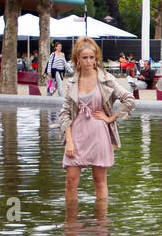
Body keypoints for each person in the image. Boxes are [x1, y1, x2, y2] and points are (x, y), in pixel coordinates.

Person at [56, 36, 137, 208]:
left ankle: (101, 226)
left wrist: (111, 118)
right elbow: (64, 113)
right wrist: (68, 140)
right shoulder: (71, 82)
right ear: (78, 59)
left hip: (99, 134)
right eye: (84, 58)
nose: (88, 61)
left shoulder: (106, 79)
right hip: (76, 135)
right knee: (71, 180)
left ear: (96, 58)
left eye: (92, 57)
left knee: (99, 181)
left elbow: (129, 100)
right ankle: (71, 226)